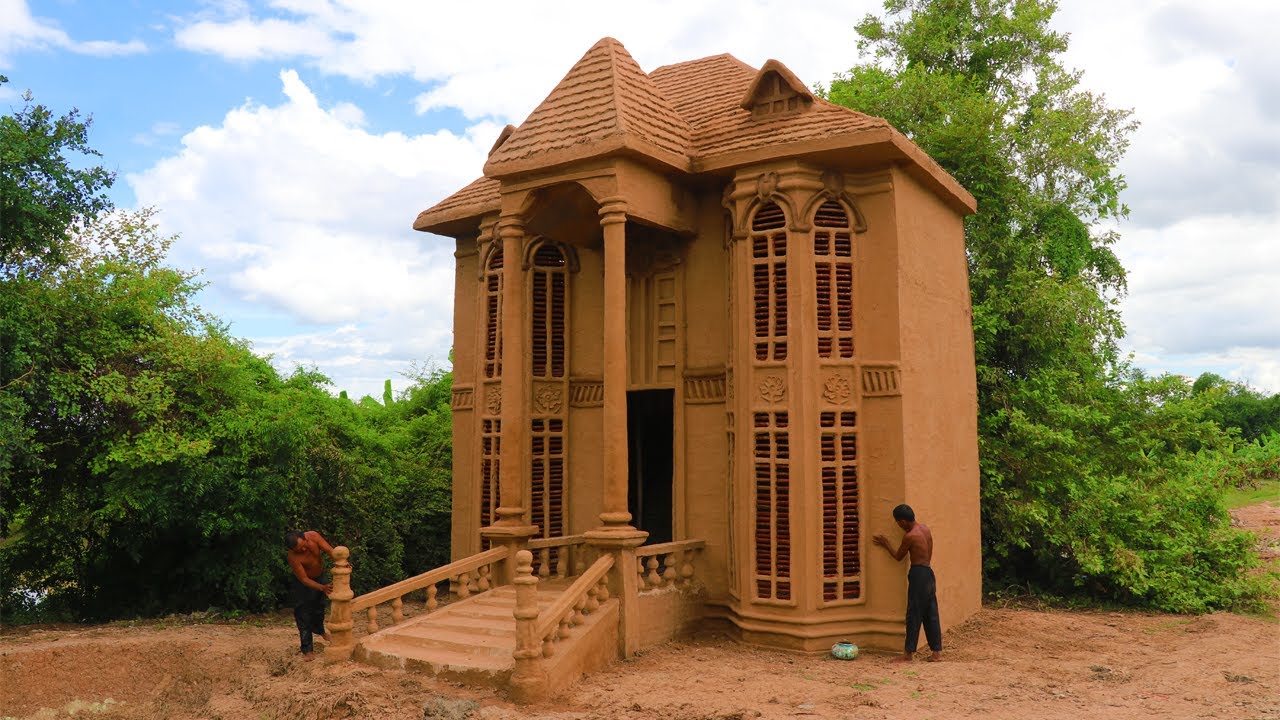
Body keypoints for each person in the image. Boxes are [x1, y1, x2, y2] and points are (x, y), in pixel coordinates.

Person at [872, 504, 942, 662]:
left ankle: (908, 654)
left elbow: (898, 556)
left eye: (898, 523)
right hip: (929, 573)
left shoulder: (910, 536)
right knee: (931, 613)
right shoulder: (925, 529)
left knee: (914, 613)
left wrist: (885, 543)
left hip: (918, 574)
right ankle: (936, 652)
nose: (899, 526)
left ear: (903, 522)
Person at [285, 529, 335, 659]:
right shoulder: (293, 557)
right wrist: (321, 587)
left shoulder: (313, 536)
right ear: (292, 550)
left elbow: (330, 550)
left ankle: (320, 630)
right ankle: (307, 649)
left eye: (303, 546)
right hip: (302, 584)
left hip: (320, 576)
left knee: (319, 607)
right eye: (298, 550)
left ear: (305, 538)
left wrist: (342, 563)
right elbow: (304, 579)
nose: (302, 550)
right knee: (303, 613)